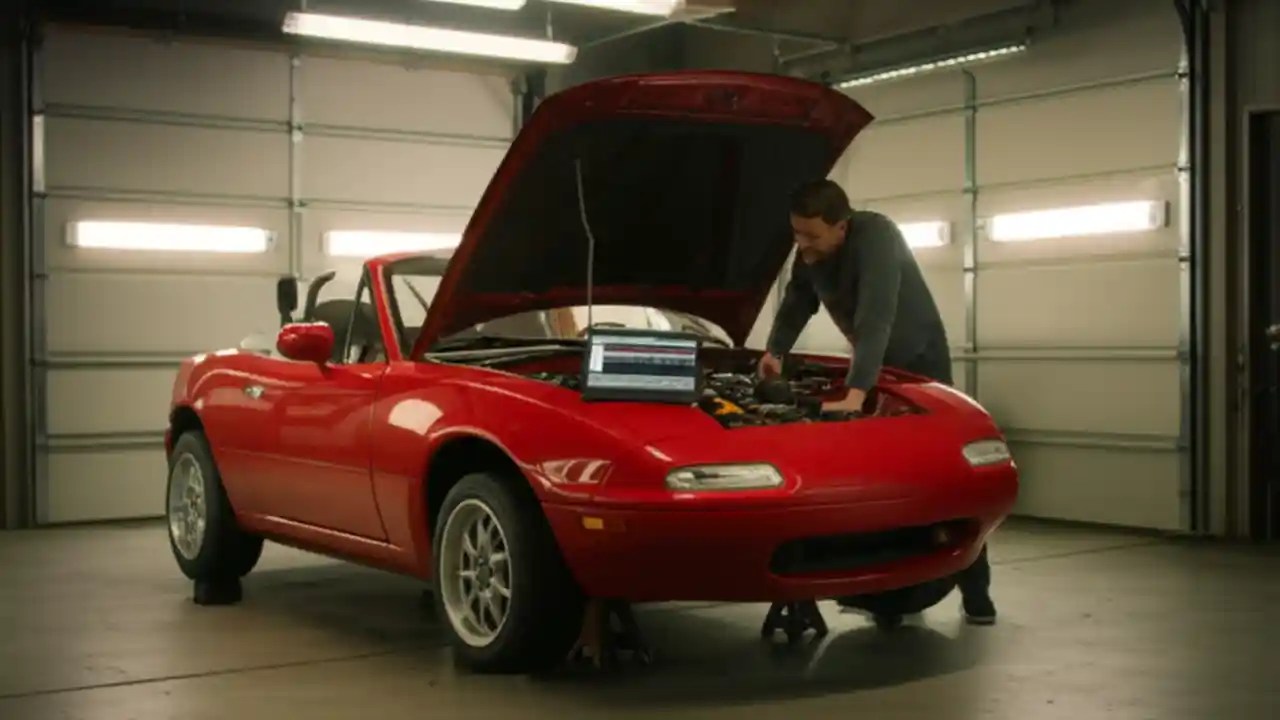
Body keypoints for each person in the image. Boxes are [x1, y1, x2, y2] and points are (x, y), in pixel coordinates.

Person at [757, 178, 997, 625]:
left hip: (918, 369)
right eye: (796, 232)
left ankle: (977, 590)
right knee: (885, 483)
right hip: (871, 369)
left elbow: (876, 319)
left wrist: (855, 391)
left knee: (940, 479)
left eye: (810, 234)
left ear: (842, 227)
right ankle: (890, 591)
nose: (801, 243)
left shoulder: (878, 238)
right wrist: (775, 351)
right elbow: (796, 301)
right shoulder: (810, 251)